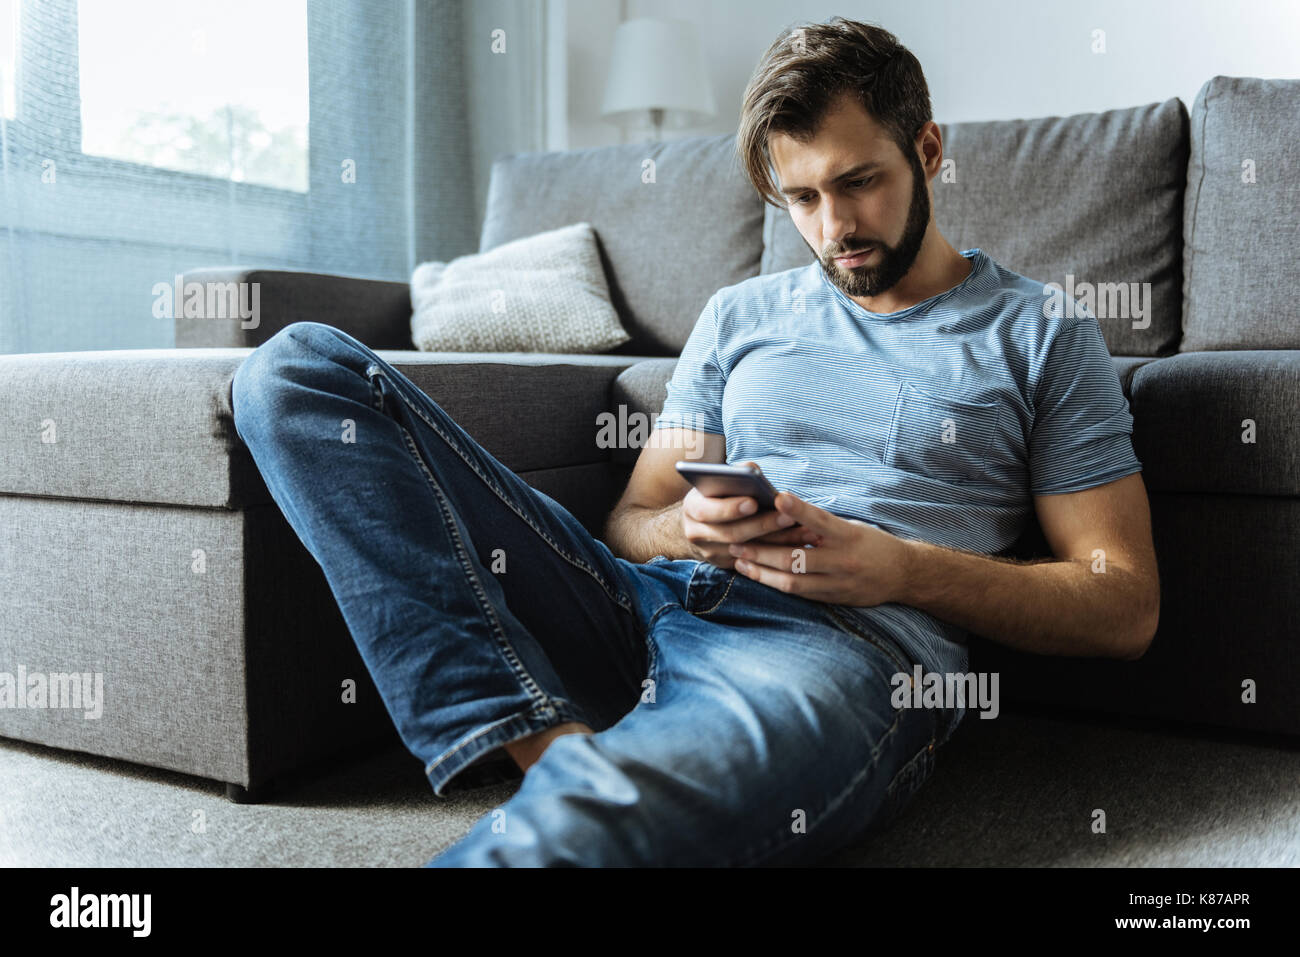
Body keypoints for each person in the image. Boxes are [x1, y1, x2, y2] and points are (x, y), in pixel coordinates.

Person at [230, 17, 1158, 867]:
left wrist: (900, 568)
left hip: (836, 649)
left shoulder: (1042, 331)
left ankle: (581, 791)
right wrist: (695, 529)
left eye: (858, 182)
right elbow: (631, 521)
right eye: (800, 198)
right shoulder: (740, 313)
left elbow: (1123, 605)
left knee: (588, 833)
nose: (833, 229)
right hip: (634, 602)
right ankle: (546, 743)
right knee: (294, 372)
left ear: (928, 148)